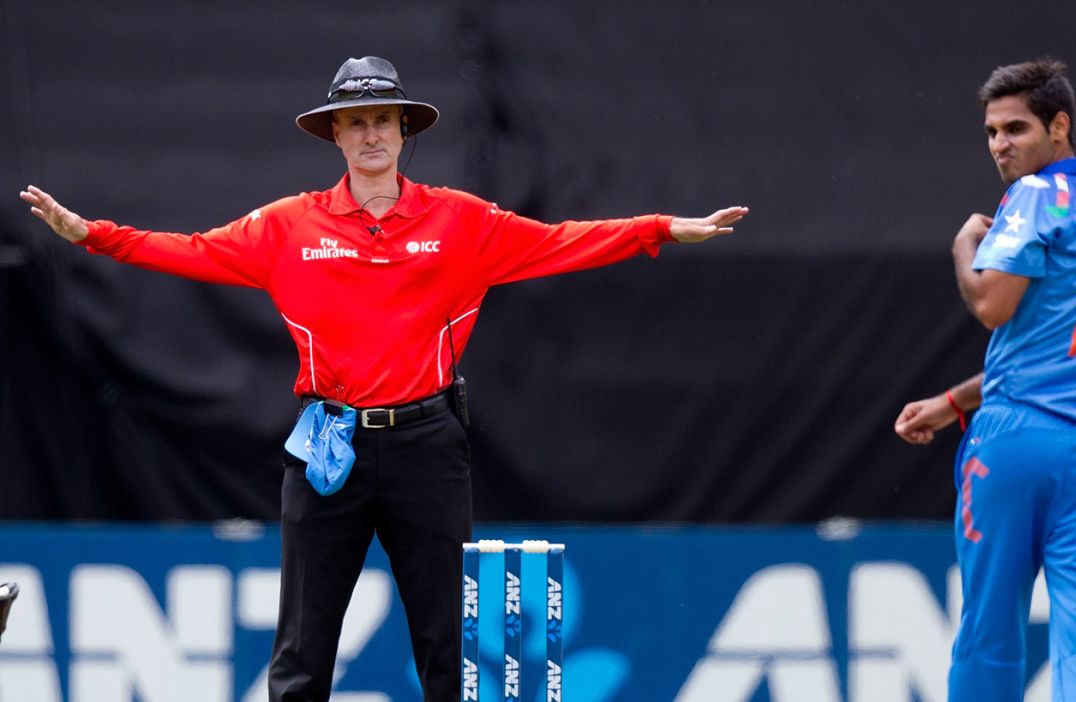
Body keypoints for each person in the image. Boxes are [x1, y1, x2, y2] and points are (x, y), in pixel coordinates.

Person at [20, 55, 748, 702]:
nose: (371, 134)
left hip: (427, 447)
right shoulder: (289, 227)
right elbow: (189, 250)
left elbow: (563, 241)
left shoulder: (461, 221)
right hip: (327, 447)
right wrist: (93, 236)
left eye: (383, 121)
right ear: (334, 136)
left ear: (404, 131)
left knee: (449, 647)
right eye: (356, 122)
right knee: (302, 653)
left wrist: (658, 228)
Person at [893, 59, 1076, 701]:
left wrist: (963, 246)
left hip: (1018, 444)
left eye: (1016, 128)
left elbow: (991, 305)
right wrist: (954, 401)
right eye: (992, 132)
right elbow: (1065, 349)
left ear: (1060, 127)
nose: (1000, 144)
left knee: (990, 634)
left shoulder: (1034, 195)